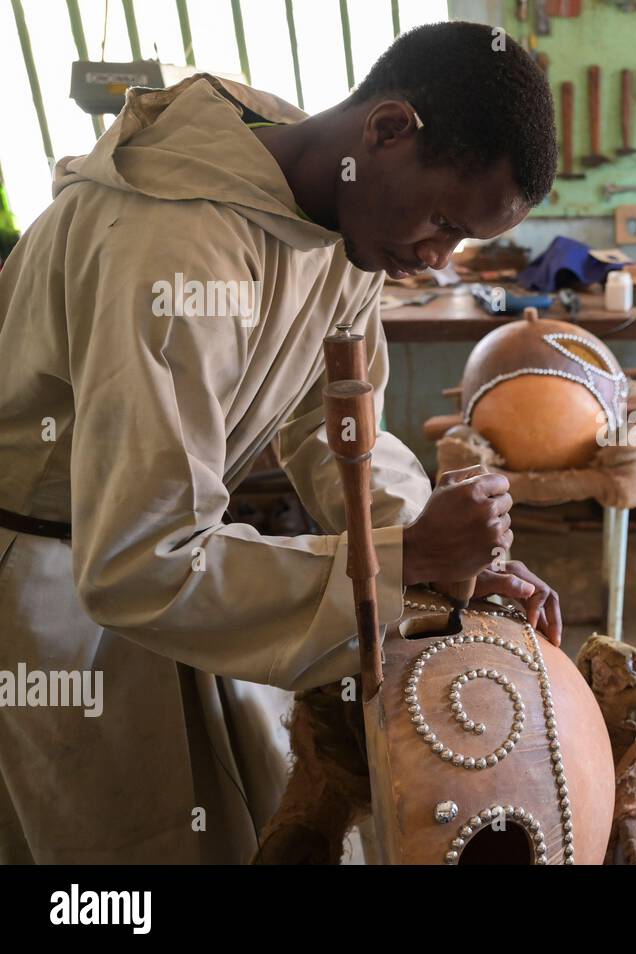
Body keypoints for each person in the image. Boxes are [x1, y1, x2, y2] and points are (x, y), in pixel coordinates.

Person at [0, 22, 563, 863]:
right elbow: (134, 564)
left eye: (462, 240)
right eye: (442, 219)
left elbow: (333, 424)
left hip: (180, 555)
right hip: (54, 589)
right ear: (385, 130)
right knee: (120, 848)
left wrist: (442, 555)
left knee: (245, 806)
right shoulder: (173, 252)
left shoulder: (335, 216)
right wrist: (402, 555)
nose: (439, 259)